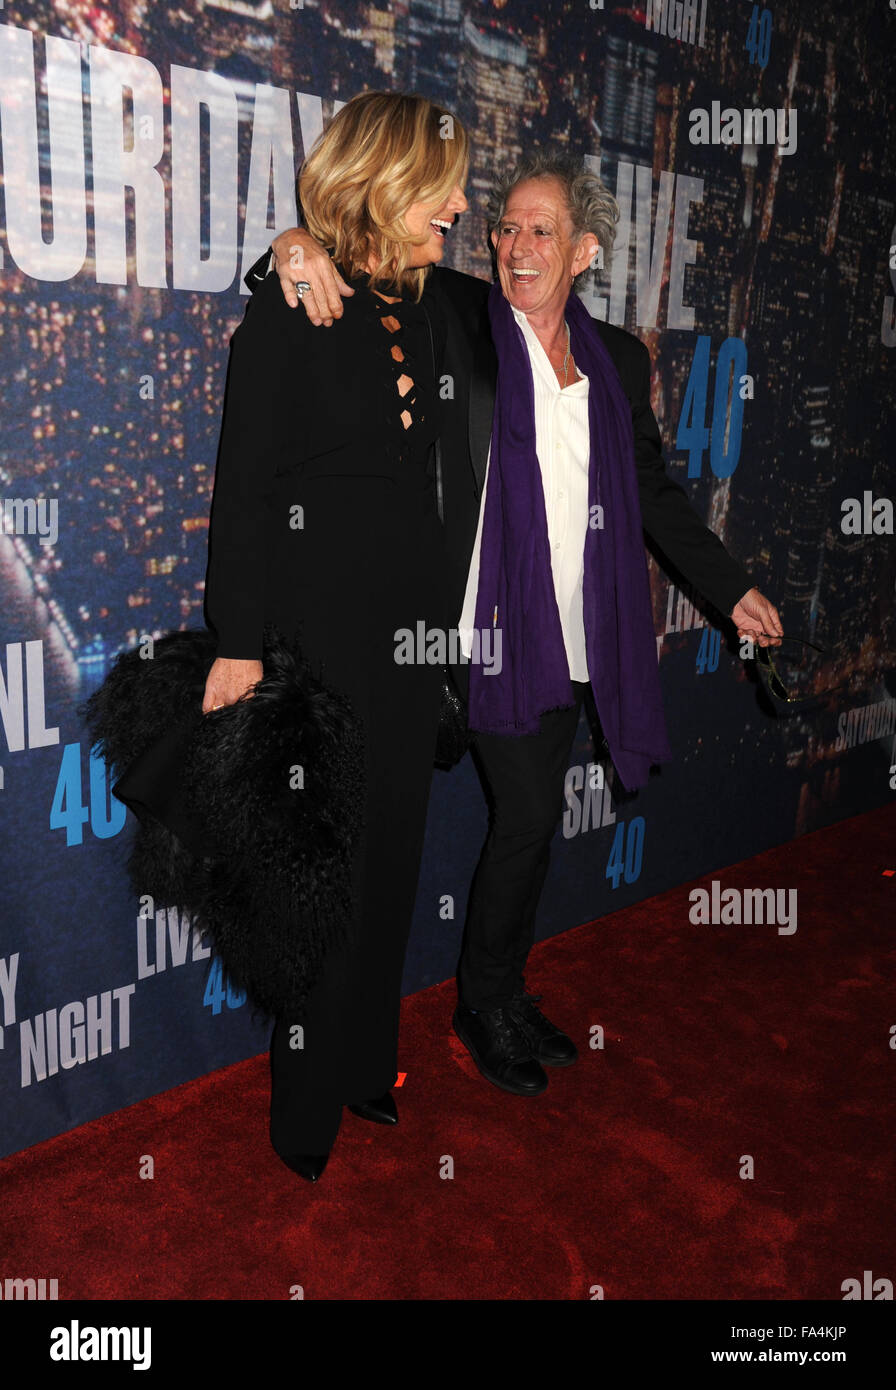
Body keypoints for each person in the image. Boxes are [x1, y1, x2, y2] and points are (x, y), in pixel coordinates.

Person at [255, 151, 782, 1106]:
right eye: (504, 227)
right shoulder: (463, 321)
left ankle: (500, 988)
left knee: (530, 830)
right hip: (493, 632)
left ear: (583, 251)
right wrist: (289, 251)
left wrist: (728, 589)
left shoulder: (618, 360)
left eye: (541, 231)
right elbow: (364, 261)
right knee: (532, 814)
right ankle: (484, 1002)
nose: (514, 245)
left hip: (589, 630)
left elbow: (652, 495)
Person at [203, 91, 469, 1182]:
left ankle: (366, 1062)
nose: (460, 204)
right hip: (316, 636)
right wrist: (240, 638)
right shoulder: (290, 299)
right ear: (390, 178)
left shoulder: (444, 305)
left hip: (411, 637)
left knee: (394, 859)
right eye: (444, 185)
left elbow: (537, 327)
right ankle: (303, 1106)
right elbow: (247, 486)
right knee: (321, 874)